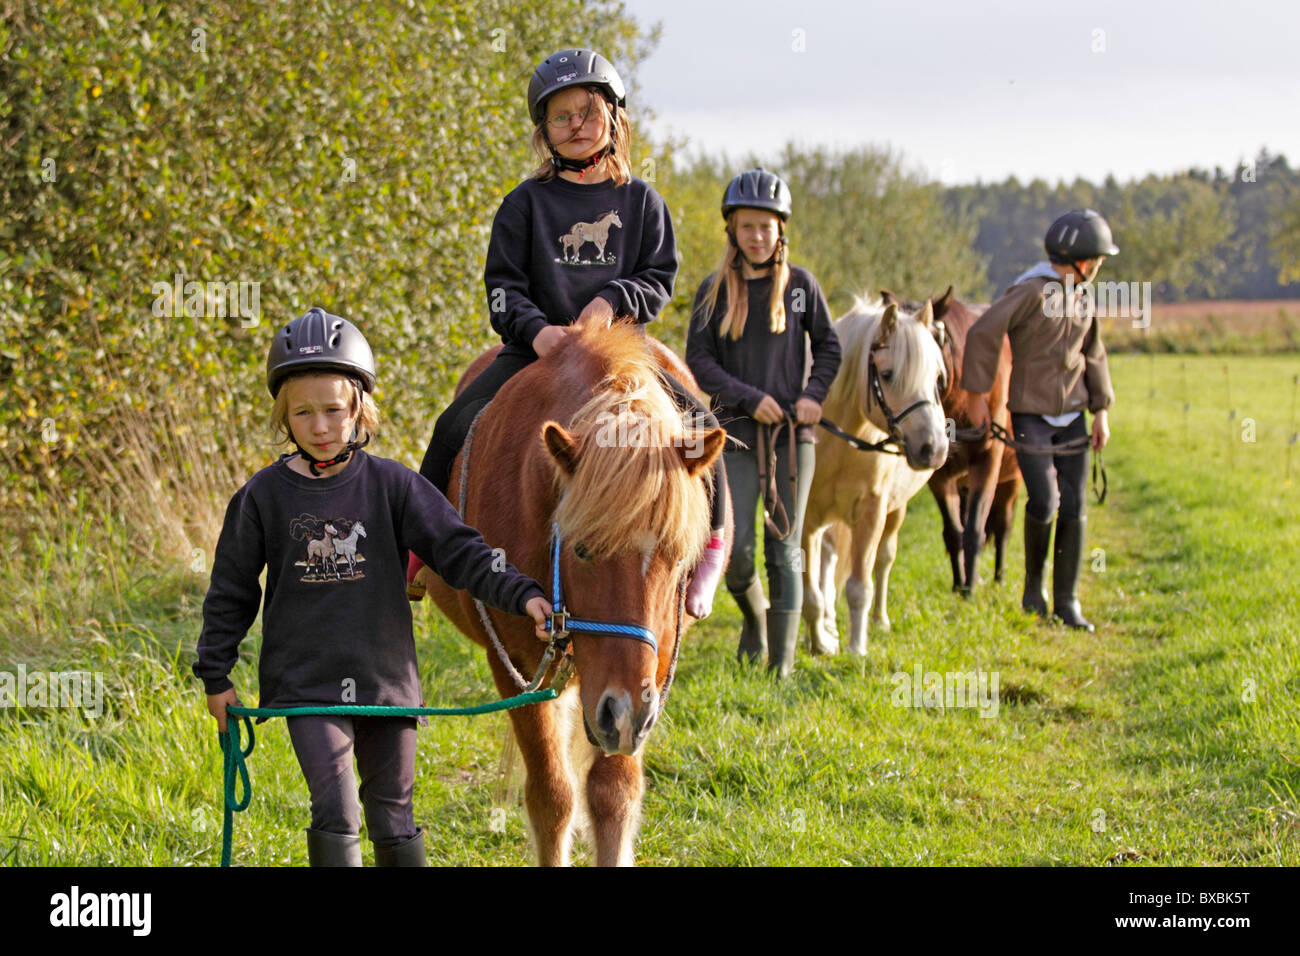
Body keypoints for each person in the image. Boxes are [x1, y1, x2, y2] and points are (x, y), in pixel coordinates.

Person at [194, 307, 551, 866]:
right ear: (282, 416)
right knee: (336, 810)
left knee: (393, 812)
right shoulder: (262, 498)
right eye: (303, 412)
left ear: (358, 407)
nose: (319, 425)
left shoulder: (395, 486)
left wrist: (524, 594)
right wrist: (215, 674)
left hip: (385, 685)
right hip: (306, 686)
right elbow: (231, 589)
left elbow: (462, 552)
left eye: (333, 410)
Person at [407, 48, 730, 618]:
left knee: (700, 424)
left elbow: (659, 276)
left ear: (614, 117)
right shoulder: (523, 204)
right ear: (544, 132)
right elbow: (503, 288)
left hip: (624, 354)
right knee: (452, 424)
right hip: (536, 354)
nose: (576, 125)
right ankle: (417, 551)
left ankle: (710, 546)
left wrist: (613, 301)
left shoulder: (641, 201)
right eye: (561, 117)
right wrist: (538, 334)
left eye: (587, 111)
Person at [685, 168, 841, 677]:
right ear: (733, 230)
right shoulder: (714, 291)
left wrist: (814, 396)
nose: (757, 236)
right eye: (747, 226)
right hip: (734, 437)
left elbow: (830, 348)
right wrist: (750, 400)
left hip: (794, 439)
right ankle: (754, 617)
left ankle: (784, 665)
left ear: (780, 231)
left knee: (787, 548)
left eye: (765, 227)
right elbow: (700, 361)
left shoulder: (801, 288)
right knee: (738, 550)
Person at [963, 209, 1117, 632]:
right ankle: (1034, 591)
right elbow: (983, 332)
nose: (1100, 269)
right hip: (1031, 414)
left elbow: (1094, 353)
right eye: (1099, 261)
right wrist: (977, 396)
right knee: (1045, 501)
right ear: (1082, 261)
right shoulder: (1031, 291)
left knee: (1075, 506)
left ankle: (1067, 602)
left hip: (1073, 417)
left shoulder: (1084, 297)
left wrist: (1100, 410)